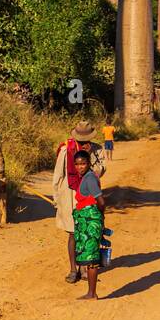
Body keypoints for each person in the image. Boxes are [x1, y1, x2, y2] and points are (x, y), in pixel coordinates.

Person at [52, 123, 106, 282]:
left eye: (86, 140)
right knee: (72, 232)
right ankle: (73, 269)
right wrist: (56, 198)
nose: (83, 143)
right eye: (81, 140)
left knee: (86, 232)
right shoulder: (65, 150)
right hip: (68, 195)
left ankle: (84, 269)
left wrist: (90, 156)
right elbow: (58, 175)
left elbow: (100, 172)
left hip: (88, 196)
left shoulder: (97, 150)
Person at [71, 149, 106, 301]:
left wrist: (98, 218)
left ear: (89, 164)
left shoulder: (90, 179)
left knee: (91, 259)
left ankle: (92, 293)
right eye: (77, 164)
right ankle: (91, 292)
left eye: (83, 164)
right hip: (88, 223)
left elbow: (101, 201)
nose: (80, 167)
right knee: (90, 257)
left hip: (91, 223)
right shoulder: (87, 177)